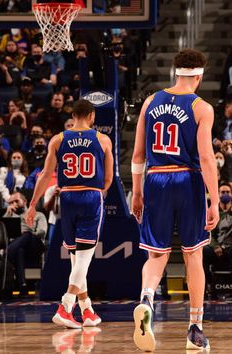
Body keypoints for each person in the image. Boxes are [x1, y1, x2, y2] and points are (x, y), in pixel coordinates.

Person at [131, 49, 219, 351]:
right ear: (199, 75)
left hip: (155, 179)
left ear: (175, 71)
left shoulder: (149, 102)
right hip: (187, 178)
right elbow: (207, 157)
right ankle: (195, 329)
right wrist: (215, 200)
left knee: (156, 255)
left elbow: (138, 155)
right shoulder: (201, 107)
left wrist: (138, 191)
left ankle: (146, 298)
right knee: (194, 254)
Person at [26, 99, 113, 328]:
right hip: (90, 196)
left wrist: (33, 203)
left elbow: (45, 174)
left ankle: (87, 310)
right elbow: (108, 179)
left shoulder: (58, 139)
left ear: (72, 116)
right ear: (92, 116)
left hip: (67, 198)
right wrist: (98, 194)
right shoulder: (103, 139)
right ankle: (66, 306)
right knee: (84, 259)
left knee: (76, 259)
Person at [4, 192, 47, 294]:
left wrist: (29, 231)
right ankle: (22, 284)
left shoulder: (38, 214)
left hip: (34, 246)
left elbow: (42, 232)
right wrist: (7, 214)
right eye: (11, 202)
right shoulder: (10, 215)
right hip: (18, 248)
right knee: (20, 250)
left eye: (16, 201)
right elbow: (4, 235)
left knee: (26, 235)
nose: (14, 204)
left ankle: (7, 253)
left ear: (25, 201)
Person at [203, 183, 232, 292]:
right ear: (218, 194)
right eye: (222, 192)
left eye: (227, 192)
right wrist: (215, 246)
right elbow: (209, 232)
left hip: (230, 248)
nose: (225, 194)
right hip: (215, 249)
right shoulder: (213, 213)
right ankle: (204, 289)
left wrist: (224, 247)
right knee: (204, 251)